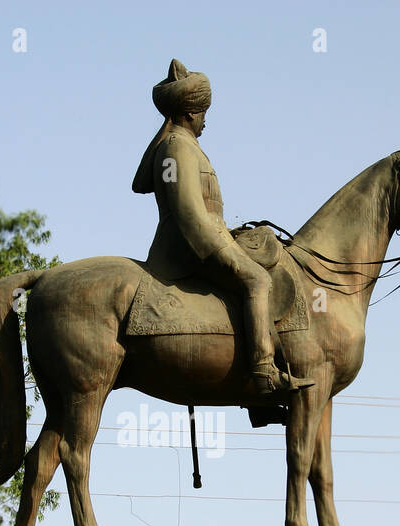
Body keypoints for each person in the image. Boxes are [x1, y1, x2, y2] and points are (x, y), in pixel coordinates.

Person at [132, 59, 313, 396]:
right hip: (190, 246)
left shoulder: (176, 144)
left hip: (204, 236)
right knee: (257, 279)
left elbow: (140, 182)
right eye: (201, 112)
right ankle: (263, 371)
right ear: (188, 114)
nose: (205, 120)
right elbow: (188, 213)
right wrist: (222, 247)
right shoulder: (176, 148)